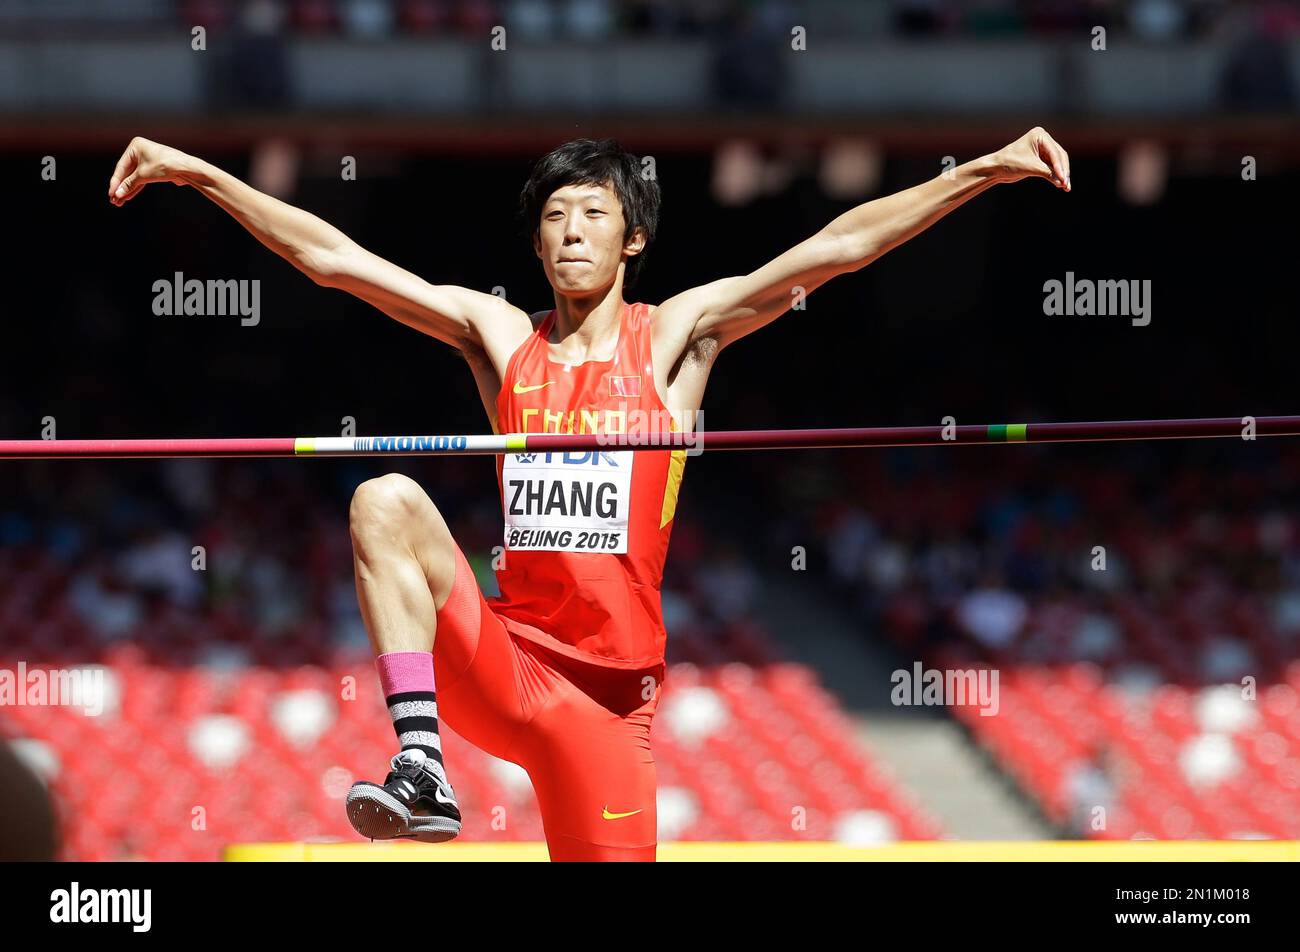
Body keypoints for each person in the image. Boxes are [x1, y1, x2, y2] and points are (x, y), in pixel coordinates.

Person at [106, 129, 1070, 860]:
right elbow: (337, 263)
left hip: (608, 708)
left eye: (593, 213)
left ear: (633, 237)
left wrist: (979, 171)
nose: (571, 230)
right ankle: (421, 761)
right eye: (555, 216)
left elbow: (836, 248)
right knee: (386, 498)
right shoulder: (497, 337)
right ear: (536, 244)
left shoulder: (677, 337)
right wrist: (204, 176)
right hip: (508, 667)